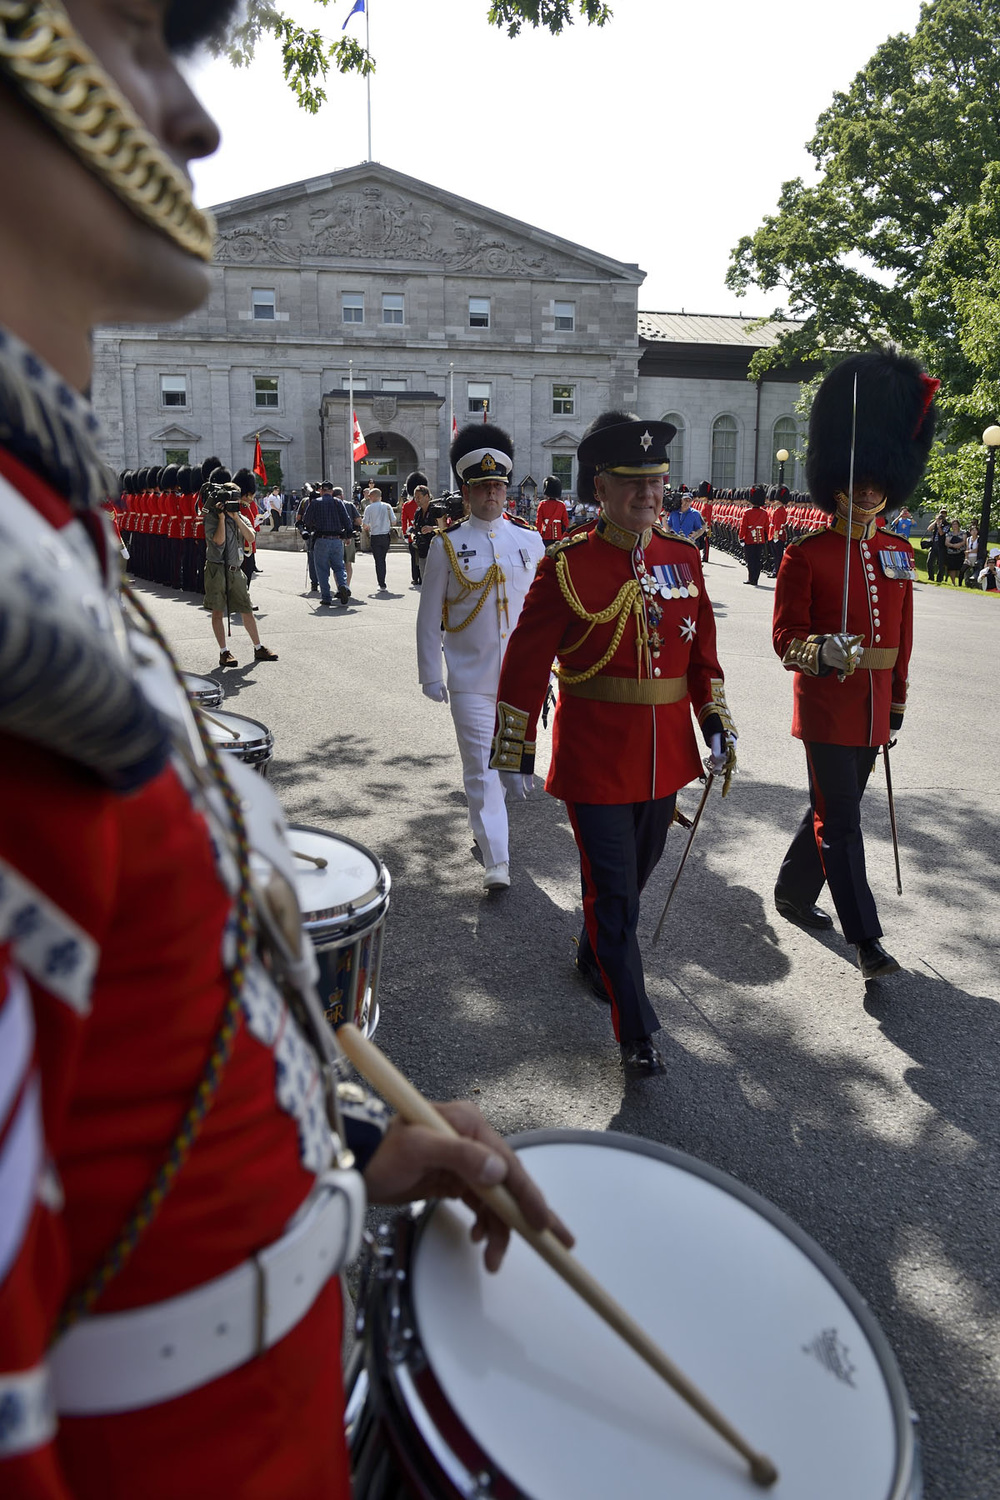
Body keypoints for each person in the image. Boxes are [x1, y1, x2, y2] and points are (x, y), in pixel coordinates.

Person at [0, 7, 572, 1498]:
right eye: (129, 34)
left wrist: (359, 1153)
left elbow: (120, 1095)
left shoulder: (42, 538)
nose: (193, 122)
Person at [490, 412, 738, 1077]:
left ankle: (593, 950)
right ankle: (636, 1030)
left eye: (658, 482)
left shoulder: (682, 559)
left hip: (667, 760)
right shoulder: (569, 562)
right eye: (635, 484)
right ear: (602, 487)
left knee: (632, 879)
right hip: (595, 759)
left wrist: (715, 725)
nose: (651, 496)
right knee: (618, 894)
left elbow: (701, 663)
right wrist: (514, 746)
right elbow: (524, 660)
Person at [772, 349, 936, 982]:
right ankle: (866, 940)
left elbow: (902, 638)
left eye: (878, 482)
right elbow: (785, 638)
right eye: (858, 480)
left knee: (829, 807)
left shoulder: (896, 552)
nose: (869, 492)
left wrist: (895, 703)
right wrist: (822, 652)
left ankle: (791, 890)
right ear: (834, 479)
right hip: (825, 705)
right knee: (841, 819)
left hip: (872, 713)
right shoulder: (805, 555)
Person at [417, 424, 545, 890]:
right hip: (470, 677)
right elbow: (429, 616)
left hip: (522, 682)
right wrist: (431, 672)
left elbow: (547, 614)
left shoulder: (530, 541)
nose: (491, 494)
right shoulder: (445, 545)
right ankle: (497, 859)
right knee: (481, 767)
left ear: (506, 490)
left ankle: (492, 830)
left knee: (510, 769)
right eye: (481, 487)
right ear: (466, 492)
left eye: (497, 486)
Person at [202, 468, 279, 665]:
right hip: (217, 568)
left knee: (246, 609)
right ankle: (224, 651)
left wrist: (235, 517)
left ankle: (258, 647)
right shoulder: (212, 517)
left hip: (235, 570)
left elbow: (251, 537)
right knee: (218, 611)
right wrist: (221, 518)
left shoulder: (239, 515)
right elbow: (218, 542)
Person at [301, 480, 352, 606]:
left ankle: (326, 597)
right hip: (336, 540)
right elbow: (347, 520)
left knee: (322, 569)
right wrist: (348, 536)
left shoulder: (316, 503)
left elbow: (306, 520)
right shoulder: (338, 502)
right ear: (332, 491)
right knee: (339, 567)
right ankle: (342, 585)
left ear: (321, 491)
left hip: (321, 539)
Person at [362, 482, 395, 591]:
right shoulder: (387, 506)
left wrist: (369, 526)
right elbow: (394, 521)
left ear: (372, 496)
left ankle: (381, 583)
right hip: (385, 535)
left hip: (375, 535)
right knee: (383, 559)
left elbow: (365, 524)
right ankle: (382, 581)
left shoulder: (369, 508)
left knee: (378, 560)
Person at [739, 486, 770, 584]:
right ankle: (756, 578)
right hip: (760, 539)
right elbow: (767, 527)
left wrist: (741, 538)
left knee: (750, 559)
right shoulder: (764, 513)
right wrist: (766, 537)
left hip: (749, 539)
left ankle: (751, 578)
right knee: (758, 559)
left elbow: (743, 527)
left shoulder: (747, 513)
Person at [400, 470, 424, 586]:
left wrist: (405, 534)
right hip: (424, 534)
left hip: (412, 535)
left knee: (414, 558)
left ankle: (415, 578)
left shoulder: (407, 505)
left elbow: (404, 520)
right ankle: (422, 576)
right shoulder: (427, 503)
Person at [535, 474, 569, 543]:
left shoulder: (542, 504)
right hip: (558, 535)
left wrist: (538, 534)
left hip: (545, 534)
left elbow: (538, 522)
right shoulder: (561, 505)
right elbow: (565, 523)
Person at [924, 509, 949, 582]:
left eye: (944, 514)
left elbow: (941, 533)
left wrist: (939, 525)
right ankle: (931, 577)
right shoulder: (936, 522)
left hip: (942, 546)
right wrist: (936, 521)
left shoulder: (947, 524)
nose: (942, 515)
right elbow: (929, 529)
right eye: (941, 513)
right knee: (929, 562)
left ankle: (939, 579)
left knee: (941, 564)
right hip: (934, 545)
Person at [944, 518, 966, 585]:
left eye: (956, 524)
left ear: (958, 525)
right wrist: (953, 545)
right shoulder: (949, 534)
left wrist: (959, 544)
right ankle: (953, 582)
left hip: (960, 553)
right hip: (951, 553)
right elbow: (946, 543)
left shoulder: (963, 533)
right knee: (952, 568)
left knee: (960, 568)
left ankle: (960, 583)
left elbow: (964, 541)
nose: (955, 526)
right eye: (953, 524)